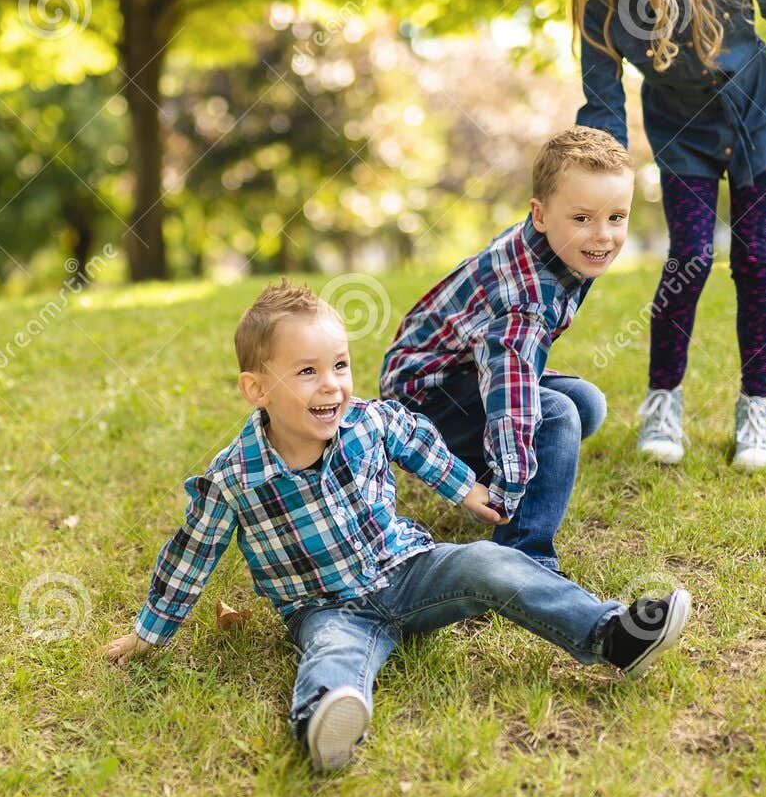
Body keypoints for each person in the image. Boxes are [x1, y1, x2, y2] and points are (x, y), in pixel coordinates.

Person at [103, 282, 690, 772]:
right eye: (307, 372)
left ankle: (613, 633)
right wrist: (149, 633)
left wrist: (466, 489)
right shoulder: (235, 476)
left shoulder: (367, 422)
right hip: (326, 607)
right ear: (257, 389)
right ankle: (327, 719)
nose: (331, 384)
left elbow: (416, 440)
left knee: (493, 562)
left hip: (409, 569)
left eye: (339, 365)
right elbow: (192, 554)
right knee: (332, 657)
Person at [571, 0, 766, 471]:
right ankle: (663, 402)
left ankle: (757, 407)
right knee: (688, 257)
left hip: (758, 126)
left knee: (756, 260)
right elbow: (603, 99)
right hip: (683, 139)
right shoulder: (605, 9)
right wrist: (601, 173)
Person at [379, 126, 634, 573]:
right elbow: (510, 395)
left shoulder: (552, 248)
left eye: (616, 218)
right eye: (582, 218)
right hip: (422, 397)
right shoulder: (526, 298)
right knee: (555, 415)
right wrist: (509, 486)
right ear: (540, 214)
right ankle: (521, 555)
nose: (602, 236)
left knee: (587, 403)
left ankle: (486, 471)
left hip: (463, 370)